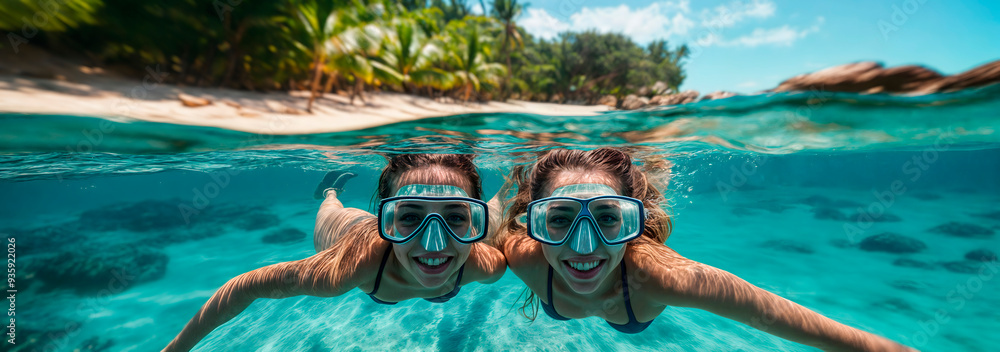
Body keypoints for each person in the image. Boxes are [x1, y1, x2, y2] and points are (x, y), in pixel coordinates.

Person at [493, 148, 915, 351]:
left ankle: (655, 176)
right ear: (535, 224)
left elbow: (787, 320)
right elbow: (493, 221)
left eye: (608, 217)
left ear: (630, 224)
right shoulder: (520, 252)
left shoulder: (664, 277)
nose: (584, 247)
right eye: (559, 218)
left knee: (654, 193)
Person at [163, 154, 506, 351]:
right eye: (410, 216)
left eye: (457, 216)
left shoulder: (483, 260)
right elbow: (246, 285)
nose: (434, 243)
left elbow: (493, 216)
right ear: (387, 219)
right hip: (345, 231)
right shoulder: (345, 270)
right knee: (329, 210)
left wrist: (508, 189)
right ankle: (329, 189)